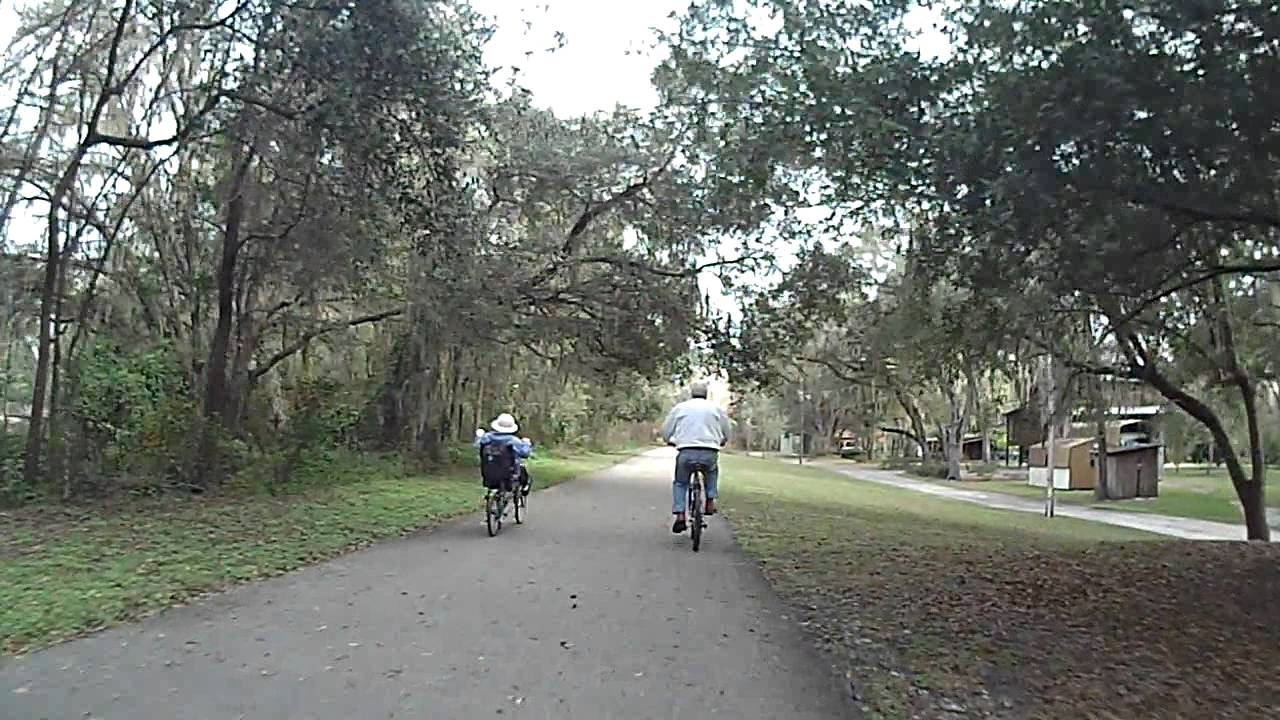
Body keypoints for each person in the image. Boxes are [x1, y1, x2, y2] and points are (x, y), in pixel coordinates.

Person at [661, 381, 731, 533]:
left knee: (680, 483)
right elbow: (727, 429)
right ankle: (710, 500)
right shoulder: (716, 409)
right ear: (706, 394)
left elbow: (666, 430)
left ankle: (680, 514)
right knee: (711, 472)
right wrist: (723, 440)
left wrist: (669, 440)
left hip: (686, 451)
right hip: (709, 451)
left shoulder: (680, 408)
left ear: (691, 394)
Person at [475, 413, 534, 496]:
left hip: (489, 471)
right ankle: (525, 487)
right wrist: (526, 443)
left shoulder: (487, 437)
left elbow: (477, 445)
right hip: (509, 474)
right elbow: (525, 453)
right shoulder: (513, 440)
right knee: (522, 469)